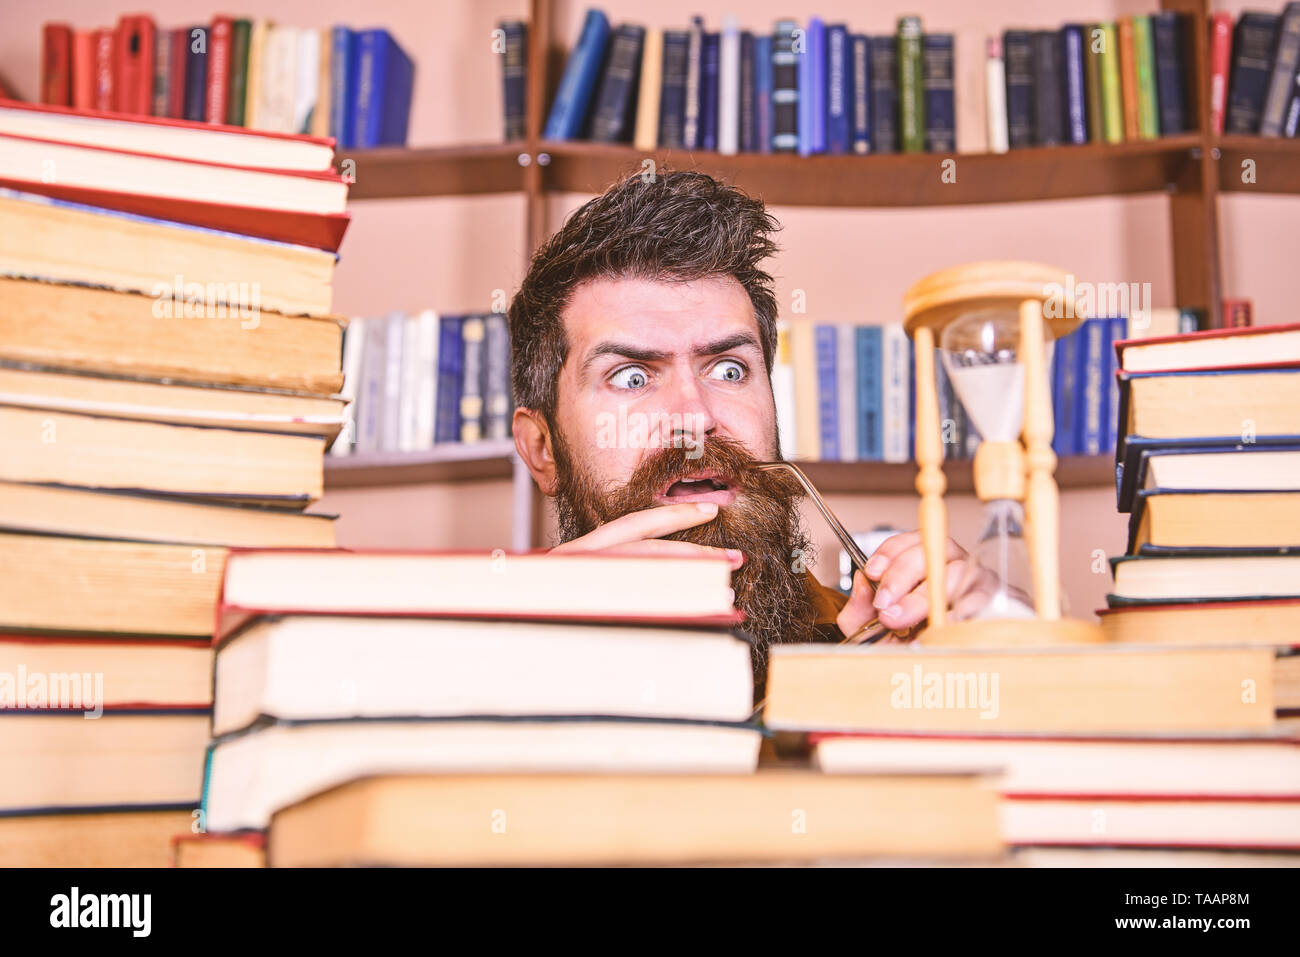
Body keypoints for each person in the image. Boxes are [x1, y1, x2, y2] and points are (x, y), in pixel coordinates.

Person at [507, 169, 971, 688]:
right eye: (632, 377)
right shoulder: (483, 664)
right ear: (542, 449)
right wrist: (511, 659)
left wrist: (992, 647)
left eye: (729, 369)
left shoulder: (879, 644)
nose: (697, 418)